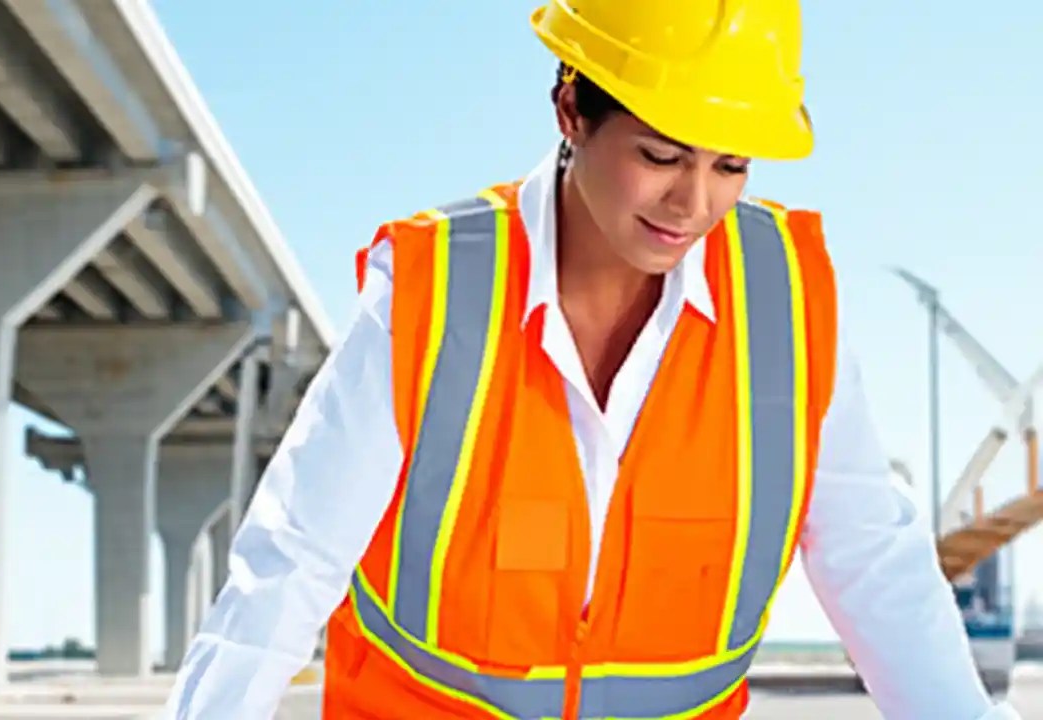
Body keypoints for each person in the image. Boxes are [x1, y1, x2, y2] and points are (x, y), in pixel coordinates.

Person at [164, 1, 1024, 718]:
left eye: (730, 166)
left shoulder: (785, 306)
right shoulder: (433, 294)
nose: (693, 203)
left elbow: (873, 562)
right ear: (571, 109)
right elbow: (291, 560)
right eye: (661, 155)